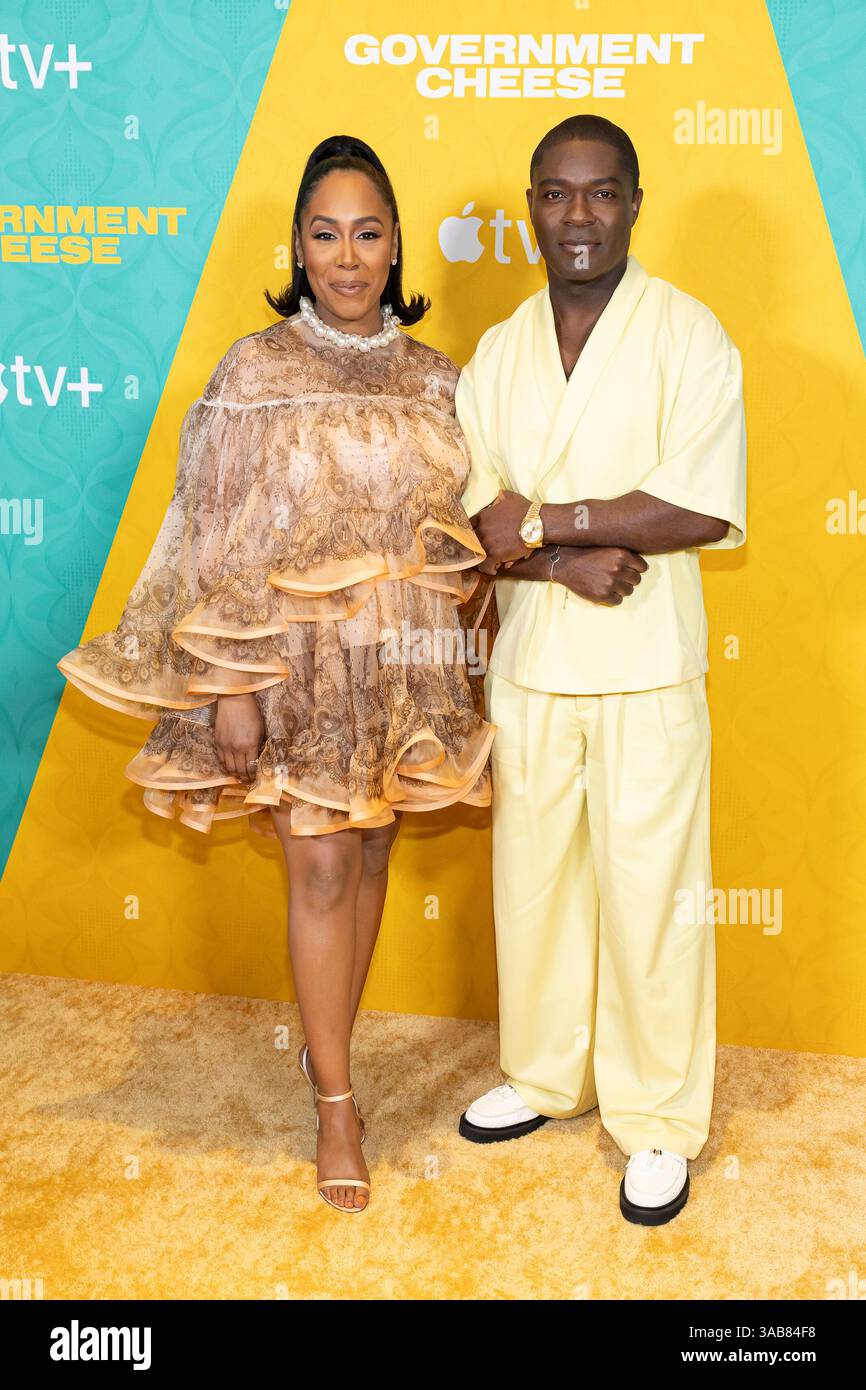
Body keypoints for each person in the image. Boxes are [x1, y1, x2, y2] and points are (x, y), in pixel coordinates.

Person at [56, 134, 496, 1214]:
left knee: (377, 847)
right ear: (296, 247)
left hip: (402, 667)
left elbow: (464, 528)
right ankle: (337, 1101)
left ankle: (321, 1048)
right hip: (288, 669)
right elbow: (212, 540)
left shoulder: (439, 380)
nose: (346, 256)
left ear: (395, 247)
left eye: (367, 233)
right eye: (324, 233)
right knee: (317, 870)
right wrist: (230, 689)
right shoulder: (252, 371)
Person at [454, 114, 747, 1225]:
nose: (576, 216)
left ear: (633, 201)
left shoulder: (687, 335)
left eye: (599, 193)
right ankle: (541, 1075)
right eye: (554, 194)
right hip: (532, 660)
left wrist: (550, 518)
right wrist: (564, 553)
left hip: (645, 667)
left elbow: (697, 502)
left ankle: (659, 1118)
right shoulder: (496, 351)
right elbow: (480, 510)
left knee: (651, 901)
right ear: (529, 205)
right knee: (533, 889)